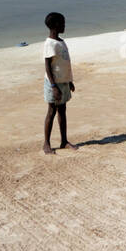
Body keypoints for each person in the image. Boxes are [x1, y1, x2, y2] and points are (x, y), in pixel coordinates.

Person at [42, 11, 77, 153]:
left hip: (63, 82)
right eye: (62, 23)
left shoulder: (61, 42)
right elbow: (48, 67)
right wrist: (53, 86)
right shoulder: (49, 44)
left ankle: (64, 141)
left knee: (62, 111)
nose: (64, 25)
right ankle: (46, 144)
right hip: (54, 84)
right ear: (55, 25)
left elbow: (64, 64)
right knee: (51, 112)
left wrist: (69, 81)